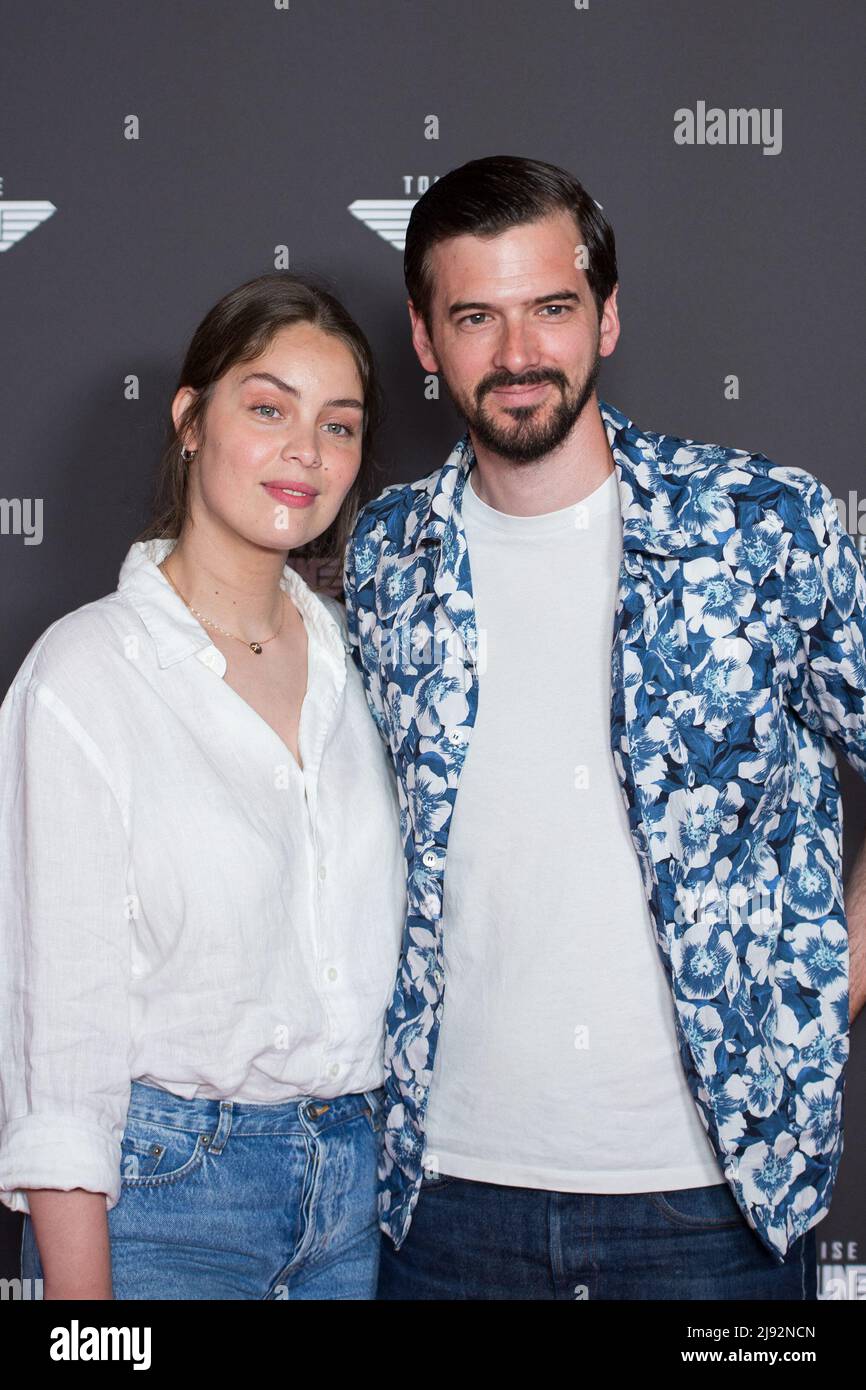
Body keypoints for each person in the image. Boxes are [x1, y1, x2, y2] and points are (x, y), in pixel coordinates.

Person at [343, 155, 866, 1300]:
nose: (517, 353)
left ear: (607, 318)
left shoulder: (761, 526)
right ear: (426, 343)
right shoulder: (383, 555)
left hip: (711, 1200)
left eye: (551, 308)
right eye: (475, 316)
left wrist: (826, 980)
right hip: (441, 1198)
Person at [0, 271, 406, 1299]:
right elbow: (60, 1029)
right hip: (165, 1204)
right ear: (190, 420)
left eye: (339, 425)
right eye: (267, 409)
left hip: (359, 1201)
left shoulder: (370, 666)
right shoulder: (84, 675)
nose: (306, 454)